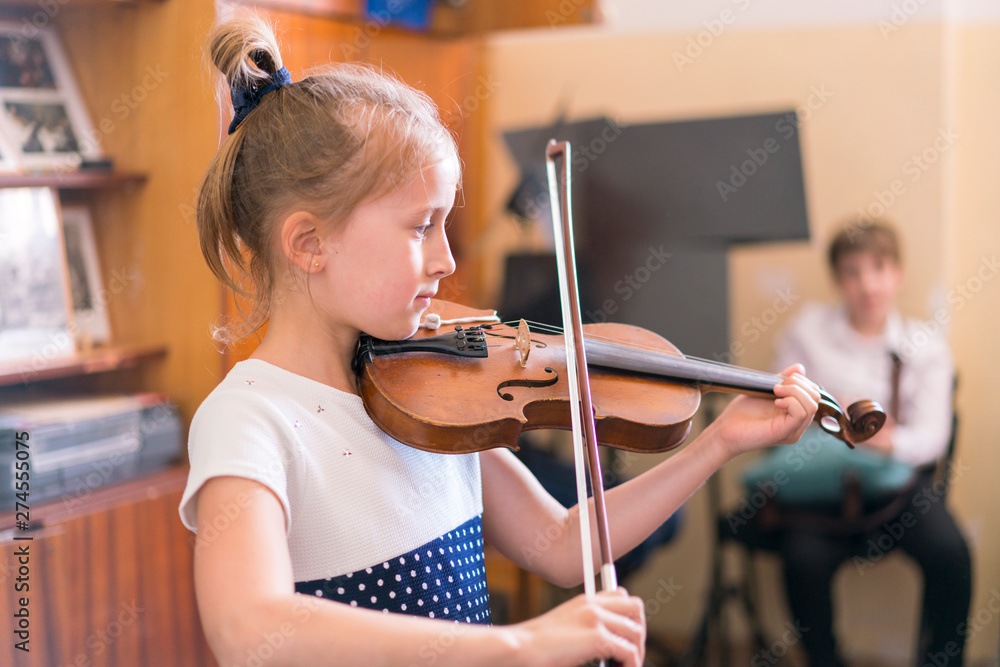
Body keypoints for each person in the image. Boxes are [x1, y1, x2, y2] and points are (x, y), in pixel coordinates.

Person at [178, 16, 822, 666]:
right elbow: (249, 627)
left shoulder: (424, 396)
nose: (446, 260)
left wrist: (718, 444)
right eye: (421, 226)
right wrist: (519, 643)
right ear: (309, 243)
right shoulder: (249, 419)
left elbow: (564, 542)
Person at [767, 221, 972, 667]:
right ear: (838, 279)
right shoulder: (807, 333)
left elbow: (931, 438)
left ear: (897, 273)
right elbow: (778, 415)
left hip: (899, 489)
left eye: (878, 268)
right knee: (800, 561)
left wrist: (881, 438)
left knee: (951, 553)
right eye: (852, 272)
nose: (867, 284)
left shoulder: (926, 348)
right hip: (821, 489)